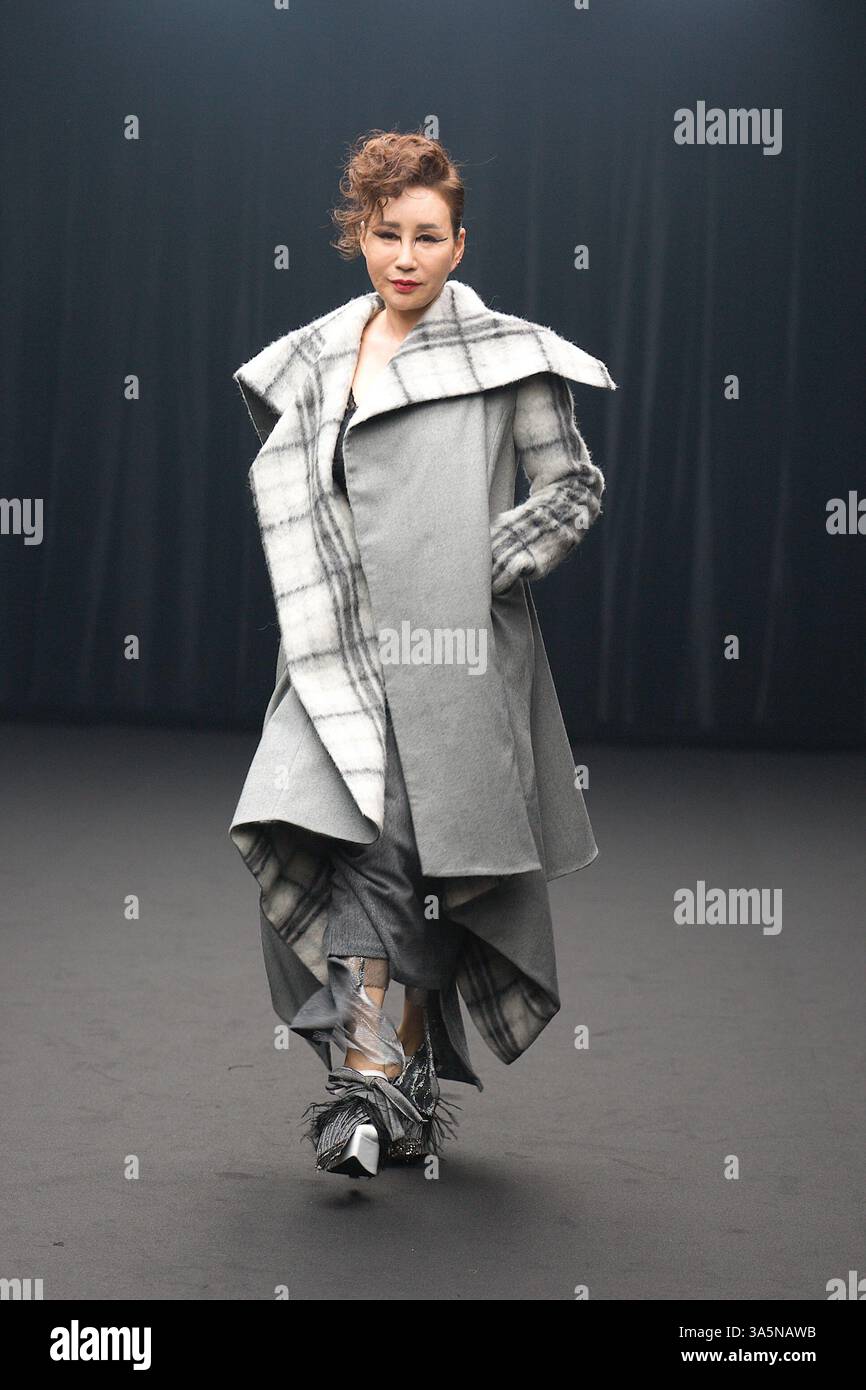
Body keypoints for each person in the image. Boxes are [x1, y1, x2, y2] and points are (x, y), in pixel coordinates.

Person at [229, 128, 616, 1179]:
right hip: (329, 655)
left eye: (427, 236)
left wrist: (492, 557)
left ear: (458, 243)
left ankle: (369, 1095)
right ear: (357, 234)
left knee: (406, 862)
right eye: (384, 232)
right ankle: (381, 1090)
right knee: (316, 831)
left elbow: (570, 487)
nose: (404, 255)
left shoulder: (507, 356)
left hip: (447, 661)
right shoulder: (319, 353)